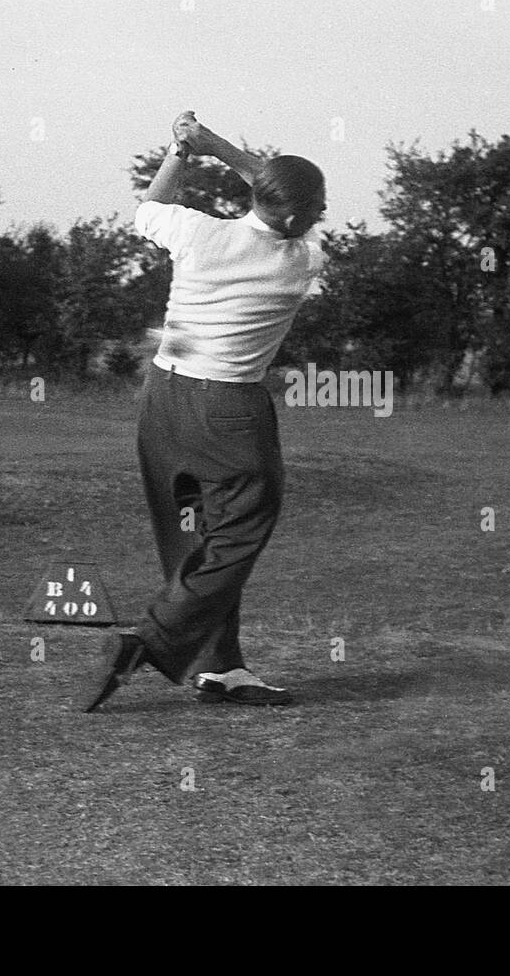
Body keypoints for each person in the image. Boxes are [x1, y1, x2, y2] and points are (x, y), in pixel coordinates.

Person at [77, 111, 327, 711]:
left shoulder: (196, 233)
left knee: (189, 533)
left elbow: (148, 207)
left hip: (163, 399)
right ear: (296, 219)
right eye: (319, 207)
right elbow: (272, 192)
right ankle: (152, 640)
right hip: (231, 409)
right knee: (239, 530)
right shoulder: (303, 261)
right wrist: (219, 148)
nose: (322, 216)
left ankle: (221, 669)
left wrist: (185, 151)